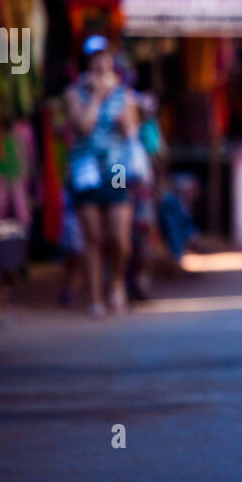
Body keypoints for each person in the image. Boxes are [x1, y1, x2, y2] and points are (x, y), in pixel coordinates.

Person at [63, 35, 138, 316]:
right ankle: (95, 298)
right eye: (95, 59)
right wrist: (96, 97)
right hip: (85, 168)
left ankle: (115, 282)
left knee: (118, 237)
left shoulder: (124, 93)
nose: (100, 64)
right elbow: (82, 127)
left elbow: (131, 131)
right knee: (92, 237)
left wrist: (122, 111)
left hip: (116, 168)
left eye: (104, 58)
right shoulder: (74, 93)